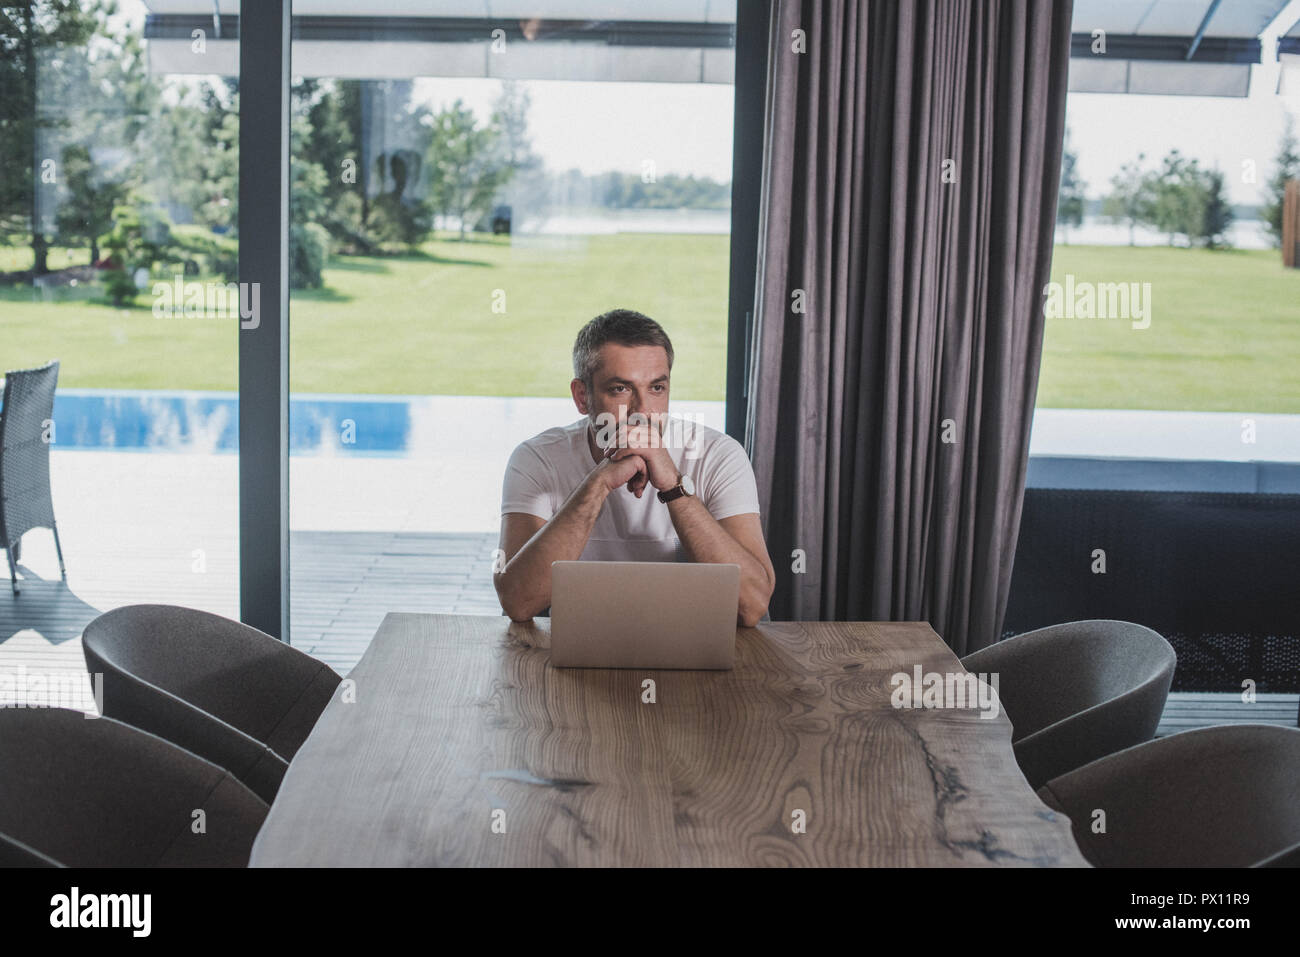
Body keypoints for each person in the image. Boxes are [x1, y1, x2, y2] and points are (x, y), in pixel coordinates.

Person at [493, 308, 776, 626]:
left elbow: (752, 604)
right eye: (620, 389)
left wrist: (673, 485)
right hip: (581, 649)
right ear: (582, 396)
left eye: (657, 388)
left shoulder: (719, 455)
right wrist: (598, 483)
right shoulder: (537, 459)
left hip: (690, 642)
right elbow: (517, 600)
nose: (643, 410)